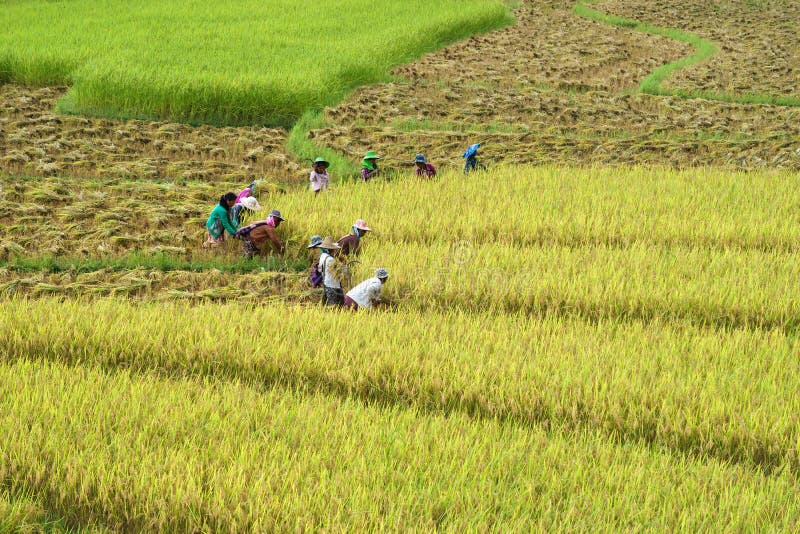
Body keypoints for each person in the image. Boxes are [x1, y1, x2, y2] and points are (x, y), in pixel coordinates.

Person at [317, 236, 344, 306]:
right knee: (334, 305)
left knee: (326, 304)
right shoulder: (331, 260)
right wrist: (342, 265)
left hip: (326, 283)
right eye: (334, 250)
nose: (335, 251)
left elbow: (320, 269)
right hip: (333, 285)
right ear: (330, 250)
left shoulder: (322, 256)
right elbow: (338, 273)